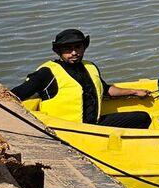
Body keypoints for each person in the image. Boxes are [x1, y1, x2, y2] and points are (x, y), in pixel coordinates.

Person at [11, 29, 151, 129]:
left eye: (78, 47)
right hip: (66, 130)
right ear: (58, 51)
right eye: (68, 49)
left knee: (142, 118)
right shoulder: (46, 73)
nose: (74, 52)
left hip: (94, 126)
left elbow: (105, 90)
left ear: (84, 48)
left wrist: (135, 92)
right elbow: (16, 94)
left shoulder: (90, 67)